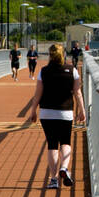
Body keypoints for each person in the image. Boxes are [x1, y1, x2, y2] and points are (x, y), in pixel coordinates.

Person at [30, 44, 86, 189]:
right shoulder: (72, 70)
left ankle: (54, 179)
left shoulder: (44, 71)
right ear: (64, 55)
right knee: (65, 142)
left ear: (50, 55)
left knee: (52, 145)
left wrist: (32, 110)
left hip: (46, 113)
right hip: (65, 112)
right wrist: (82, 110)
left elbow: (38, 94)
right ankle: (64, 167)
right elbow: (77, 93)